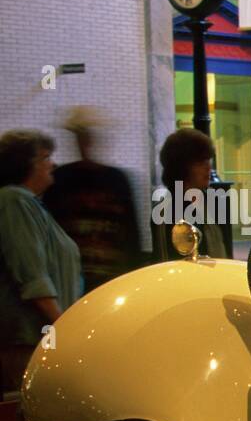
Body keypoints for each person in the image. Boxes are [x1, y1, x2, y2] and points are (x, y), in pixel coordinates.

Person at [0, 129, 83, 421]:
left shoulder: (31, 204)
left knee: (31, 417)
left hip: (41, 330)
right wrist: (61, 322)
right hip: (30, 333)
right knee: (34, 414)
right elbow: (31, 272)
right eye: (45, 157)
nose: (52, 164)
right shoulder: (14, 201)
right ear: (27, 165)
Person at [41, 106, 142, 291]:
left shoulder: (117, 180)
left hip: (108, 280)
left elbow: (132, 235)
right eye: (83, 136)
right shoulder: (60, 179)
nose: (87, 142)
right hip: (71, 279)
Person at [156, 128, 226, 259]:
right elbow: (165, 263)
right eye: (200, 162)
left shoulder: (210, 201)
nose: (208, 168)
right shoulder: (167, 210)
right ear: (182, 167)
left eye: (208, 160)